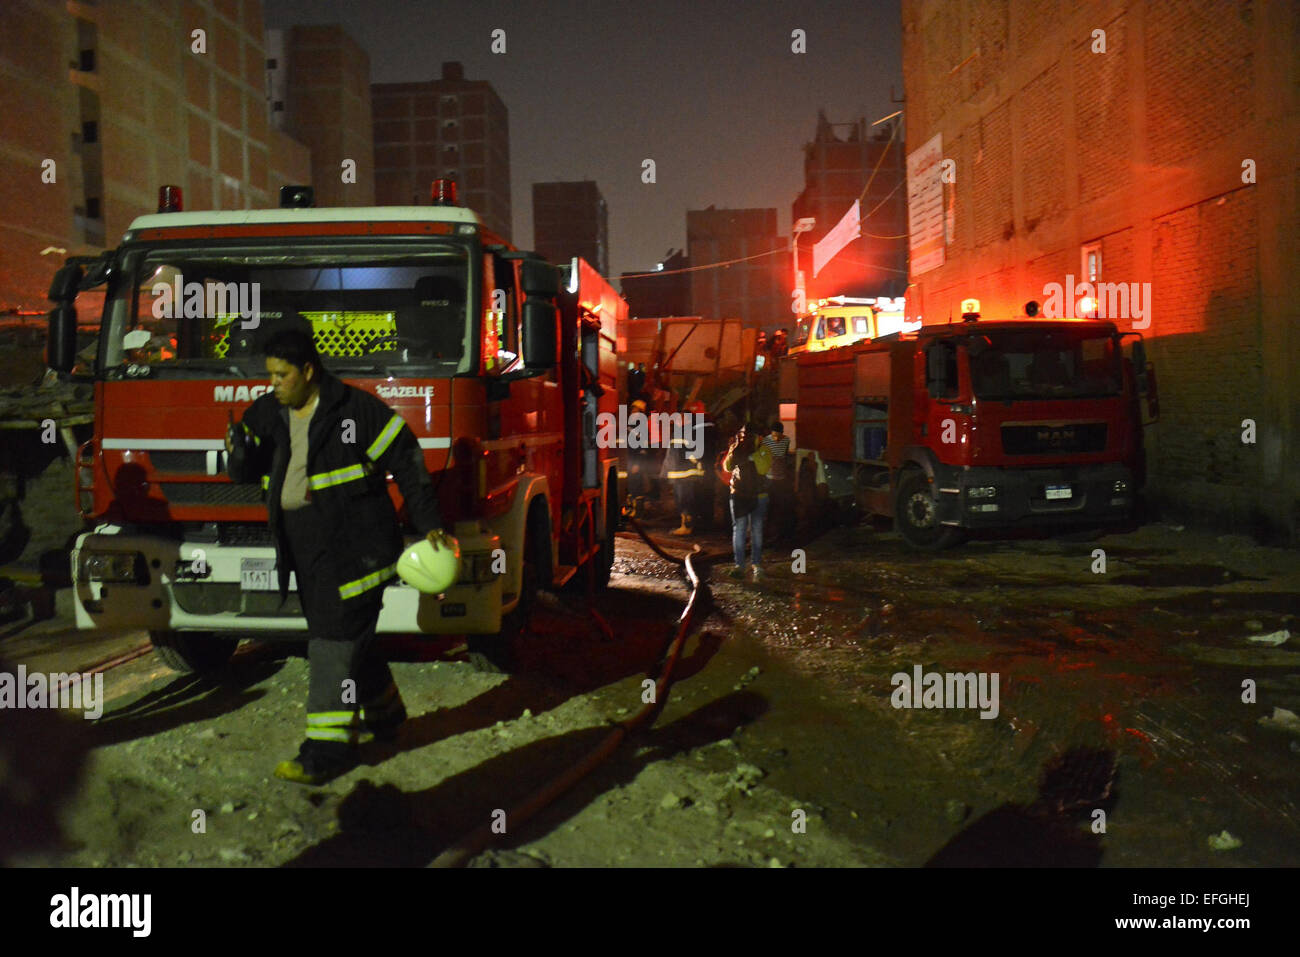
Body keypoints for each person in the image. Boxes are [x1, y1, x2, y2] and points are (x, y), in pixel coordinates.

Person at [225, 328, 451, 785]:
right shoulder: (271, 412)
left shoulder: (356, 411)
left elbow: (407, 461)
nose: (274, 384)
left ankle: (325, 750)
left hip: (356, 547)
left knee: (331, 641)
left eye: (282, 375)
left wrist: (430, 527)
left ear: (308, 371)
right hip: (302, 545)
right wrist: (239, 451)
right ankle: (386, 716)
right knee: (349, 635)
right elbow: (244, 470)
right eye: (269, 375)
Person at [723, 424, 770, 581]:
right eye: (743, 435)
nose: (745, 439)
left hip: (758, 495)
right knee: (740, 530)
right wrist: (734, 449)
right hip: (738, 494)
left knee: (756, 530)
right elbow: (727, 467)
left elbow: (763, 469)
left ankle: (756, 564)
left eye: (749, 436)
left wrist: (751, 456)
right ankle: (739, 565)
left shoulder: (764, 449)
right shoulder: (736, 448)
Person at [761, 421, 793, 543]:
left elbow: (784, 456)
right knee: (767, 507)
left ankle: (778, 534)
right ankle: (766, 534)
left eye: (778, 435)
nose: (776, 438)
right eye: (774, 435)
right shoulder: (766, 441)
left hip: (781, 478)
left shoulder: (786, 440)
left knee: (780, 507)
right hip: (769, 478)